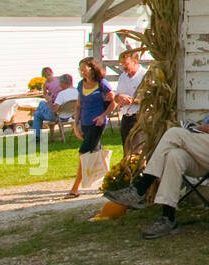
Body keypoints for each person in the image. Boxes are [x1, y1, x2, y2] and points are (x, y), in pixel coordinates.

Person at [105, 69, 209, 238]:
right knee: (175, 155)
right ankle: (167, 218)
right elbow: (203, 131)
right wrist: (199, 129)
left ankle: (140, 188)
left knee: (174, 133)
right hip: (208, 153)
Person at [63, 58, 114, 198]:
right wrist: (75, 124)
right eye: (80, 69)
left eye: (84, 68)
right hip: (85, 122)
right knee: (97, 153)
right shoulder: (81, 84)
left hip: (97, 123)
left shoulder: (102, 84)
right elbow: (79, 105)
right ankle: (110, 182)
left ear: (92, 68)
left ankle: (75, 188)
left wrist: (102, 116)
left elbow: (113, 102)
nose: (82, 71)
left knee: (83, 153)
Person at [112, 51, 146, 152]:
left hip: (140, 117)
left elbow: (151, 99)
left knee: (137, 150)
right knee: (126, 149)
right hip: (126, 117)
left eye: (126, 64)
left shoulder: (145, 76)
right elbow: (116, 96)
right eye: (121, 64)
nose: (123, 67)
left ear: (135, 61)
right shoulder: (123, 77)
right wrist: (119, 98)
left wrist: (131, 100)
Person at [29, 68, 64, 142]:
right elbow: (44, 94)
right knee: (38, 113)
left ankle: (35, 127)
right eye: (45, 76)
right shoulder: (46, 84)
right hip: (54, 105)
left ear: (52, 73)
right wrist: (48, 96)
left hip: (57, 111)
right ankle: (37, 136)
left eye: (49, 75)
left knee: (40, 107)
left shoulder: (58, 79)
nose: (48, 77)